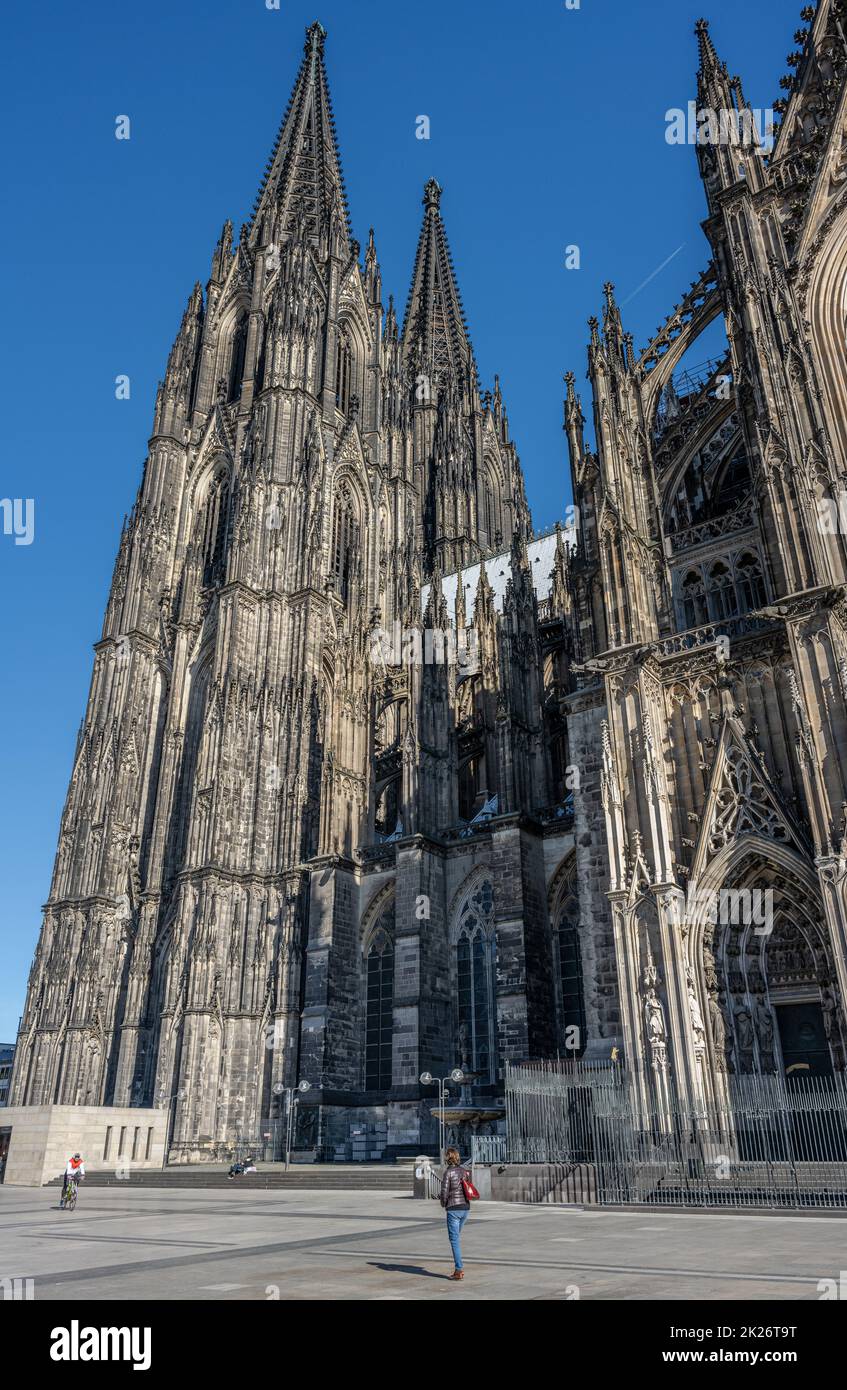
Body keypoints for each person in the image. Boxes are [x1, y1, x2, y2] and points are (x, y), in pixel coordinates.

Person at [439, 1147, 471, 1280]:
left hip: (453, 1209)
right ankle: (458, 1268)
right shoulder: (464, 1171)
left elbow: (444, 1192)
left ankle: (459, 1270)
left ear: (448, 1158)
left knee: (454, 1240)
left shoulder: (448, 1173)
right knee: (456, 1238)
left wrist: (443, 1203)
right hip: (465, 1208)